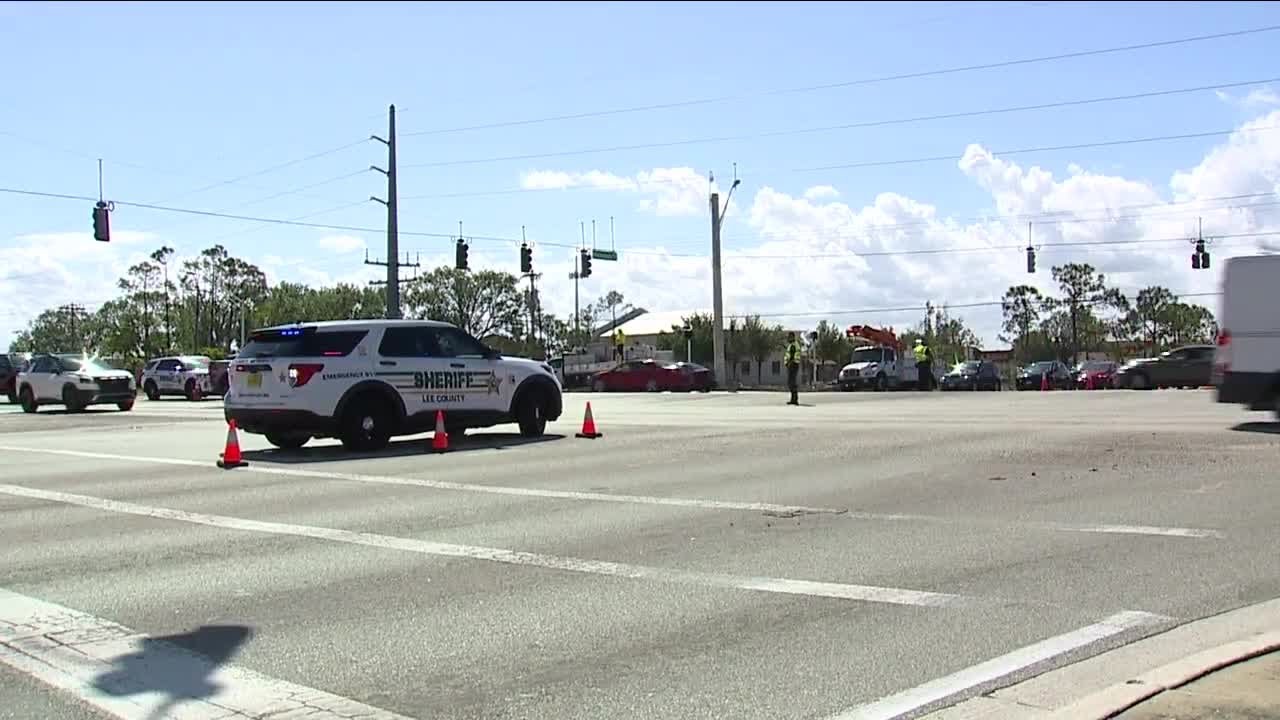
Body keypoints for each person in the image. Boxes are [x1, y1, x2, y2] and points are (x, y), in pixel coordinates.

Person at [784, 332, 803, 405]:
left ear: (792, 337)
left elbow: (794, 356)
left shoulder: (794, 345)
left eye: (789, 337)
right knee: (791, 382)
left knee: (792, 382)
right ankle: (793, 399)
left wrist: (791, 363)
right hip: (791, 365)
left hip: (793, 365)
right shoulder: (791, 345)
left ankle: (795, 399)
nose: (788, 338)